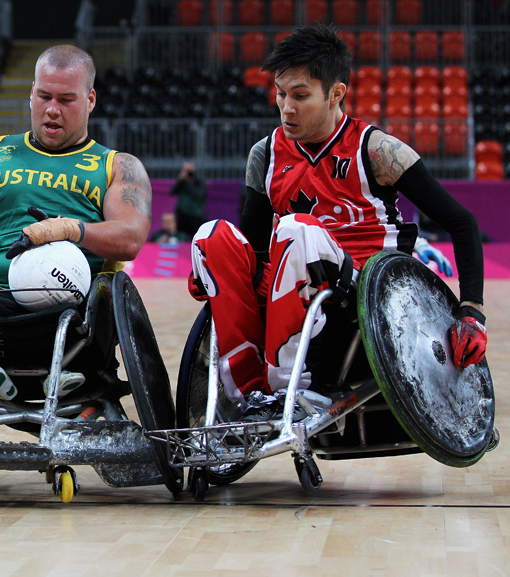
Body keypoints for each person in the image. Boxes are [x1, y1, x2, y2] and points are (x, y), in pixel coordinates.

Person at [189, 24, 486, 418]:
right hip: (295, 288)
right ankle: (249, 390)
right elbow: (257, 248)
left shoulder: (378, 149)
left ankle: (286, 389)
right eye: (280, 94)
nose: (286, 108)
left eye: (300, 96)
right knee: (212, 236)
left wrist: (472, 312)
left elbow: (462, 223)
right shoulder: (265, 154)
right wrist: (218, 272)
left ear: (336, 94)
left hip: (367, 294)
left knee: (296, 228)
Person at [0, 44, 152, 400]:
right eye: (44, 96)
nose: (52, 110)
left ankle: (50, 377)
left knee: (81, 307)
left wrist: (67, 229)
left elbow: (131, 237)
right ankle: (4, 376)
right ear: (31, 94)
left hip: (78, 311)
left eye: (67, 99)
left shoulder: (118, 165)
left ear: (90, 100)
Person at [169, 160, 207, 237]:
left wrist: (189, 183)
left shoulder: (199, 183)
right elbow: (172, 192)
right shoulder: (182, 182)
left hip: (195, 217)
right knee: (180, 237)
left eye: (189, 170)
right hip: (182, 216)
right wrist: (180, 180)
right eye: (186, 170)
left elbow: (198, 195)